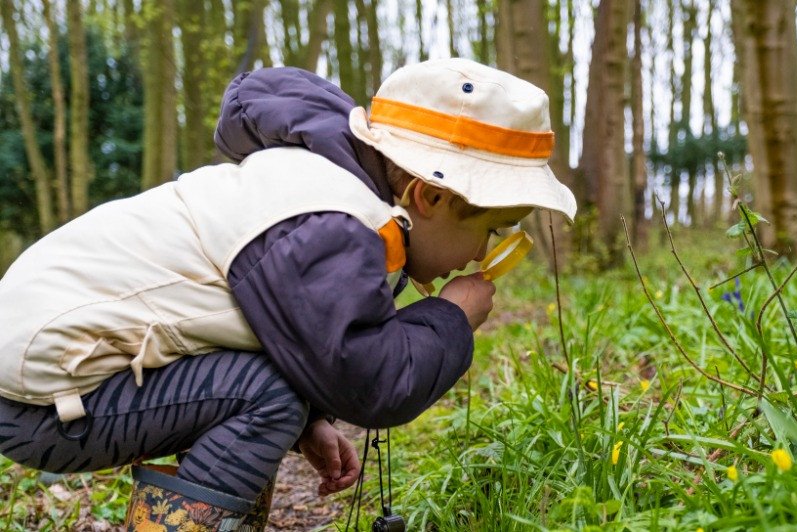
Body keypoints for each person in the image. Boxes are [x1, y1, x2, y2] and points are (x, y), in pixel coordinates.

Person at [0, 58, 577, 530]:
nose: (482, 254)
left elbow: (269, 329)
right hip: (39, 402)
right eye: (490, 231)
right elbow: (373, 383)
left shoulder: (323, 191)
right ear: (428, 197)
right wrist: (450, 317)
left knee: (277, 395)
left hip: (50, 376)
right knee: (269, 397)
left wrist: (308, 421)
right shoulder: (330, 221)